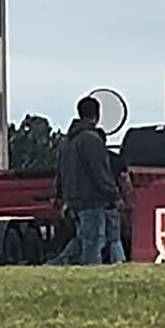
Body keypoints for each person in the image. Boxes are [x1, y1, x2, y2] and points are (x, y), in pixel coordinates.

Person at [49, 96, 119, 265]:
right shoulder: (91, 140)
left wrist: (60, 196)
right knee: (93, 242)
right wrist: (113, 194)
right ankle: (90, 272)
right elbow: (100, 172)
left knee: (82, 240)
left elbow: (60, 171)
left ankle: (56, 266)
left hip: (73, 200)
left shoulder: (67, 142)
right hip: (92, 200)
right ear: (97, 114)